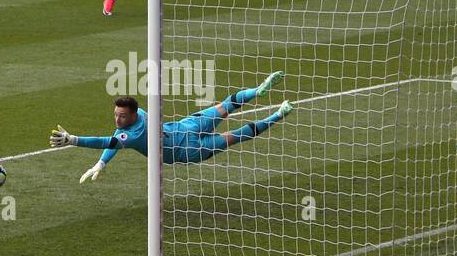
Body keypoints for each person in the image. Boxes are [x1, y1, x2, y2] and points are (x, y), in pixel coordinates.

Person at [50, 74, 293, 184]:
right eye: (115, 115)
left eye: (122, 116)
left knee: (233, 130)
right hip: (186, 134)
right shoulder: (140, 115)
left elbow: (107, 141)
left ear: (133, 114)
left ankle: (275, 109)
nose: (117, 120)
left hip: (187, 143)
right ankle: (268, 103)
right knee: (227, 112)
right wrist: (101, 164)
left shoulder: (133, 135)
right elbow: (113, 140)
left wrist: (74, 140)